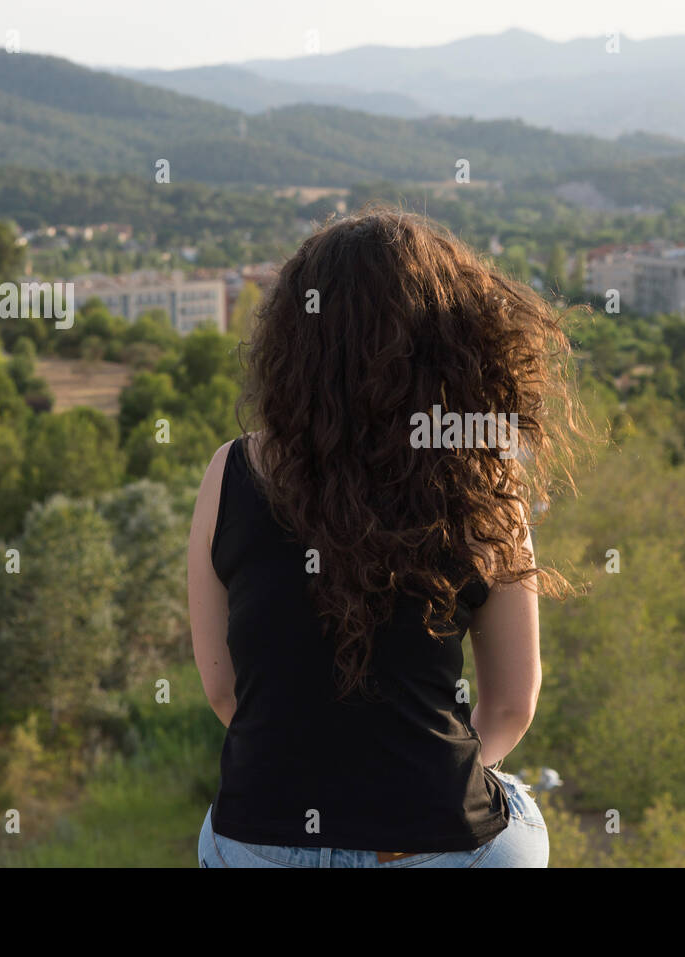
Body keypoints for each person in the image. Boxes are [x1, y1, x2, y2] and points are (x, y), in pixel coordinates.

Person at [187, 207, 583, 867]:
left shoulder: (231, 472)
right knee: (523, 807)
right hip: (436, 835)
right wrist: (415, 784)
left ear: (293, 342)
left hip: (258, 835)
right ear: (453, 342)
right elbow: (513, 704)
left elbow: (225, 692)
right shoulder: (485, 478)